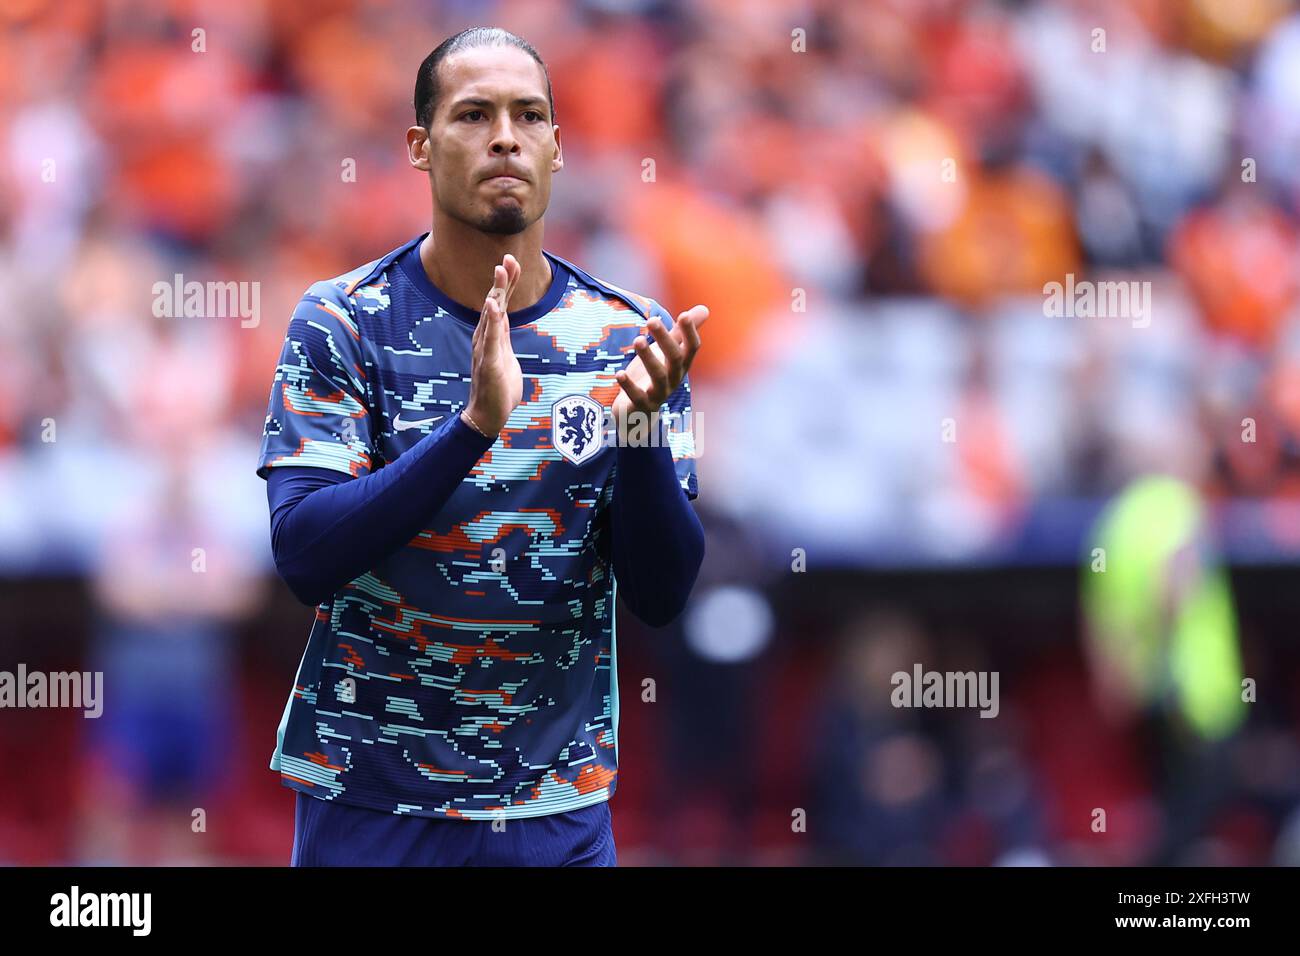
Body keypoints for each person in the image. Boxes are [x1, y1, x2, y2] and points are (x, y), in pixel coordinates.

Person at [256, 26, 707, 866]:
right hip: (373, 799)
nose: (506, 136)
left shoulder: (629, 337)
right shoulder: (345, 320)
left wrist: (641, 434)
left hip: (554, 809)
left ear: (557, 148)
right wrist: (471, 429)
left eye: (528, 115)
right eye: (473, 114)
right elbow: (306, 553)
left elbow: (662, 593)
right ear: (419, 147)